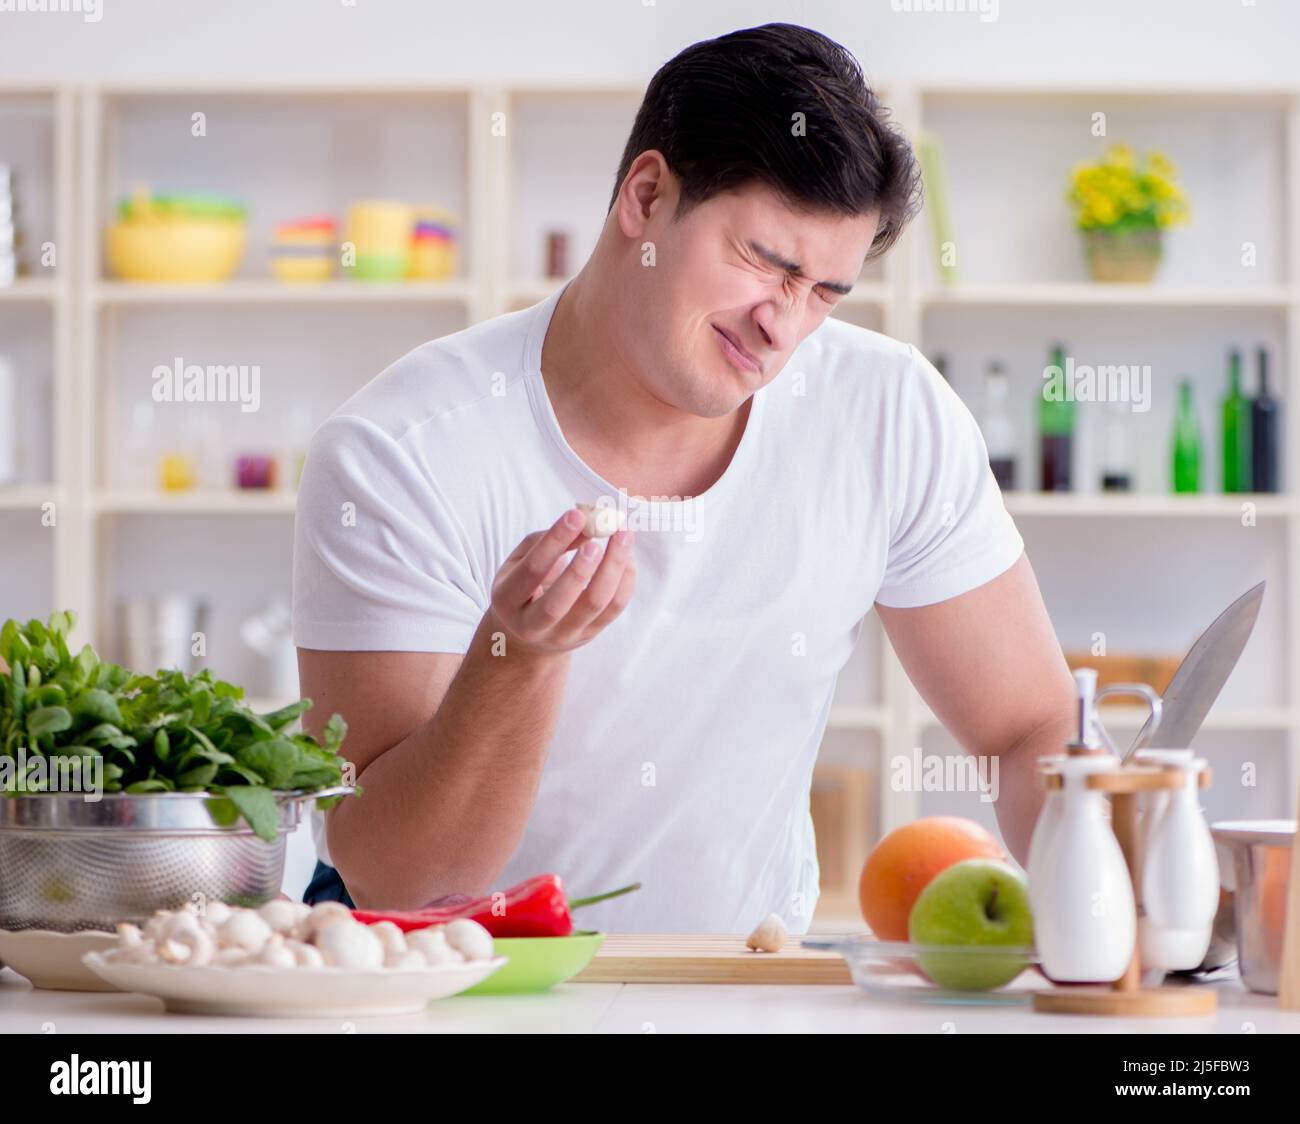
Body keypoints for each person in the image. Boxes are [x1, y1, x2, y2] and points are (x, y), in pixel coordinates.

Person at [292, 22, 1076, 933]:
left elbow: (1028, 730)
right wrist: (518, 657)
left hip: (749, 985)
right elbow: (394, 873)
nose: (783, 323)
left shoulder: (888, 412)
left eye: (824, 291)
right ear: (647, 196)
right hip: (471, 996)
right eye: (766, 263)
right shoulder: (400, 451)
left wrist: (1115, 891)